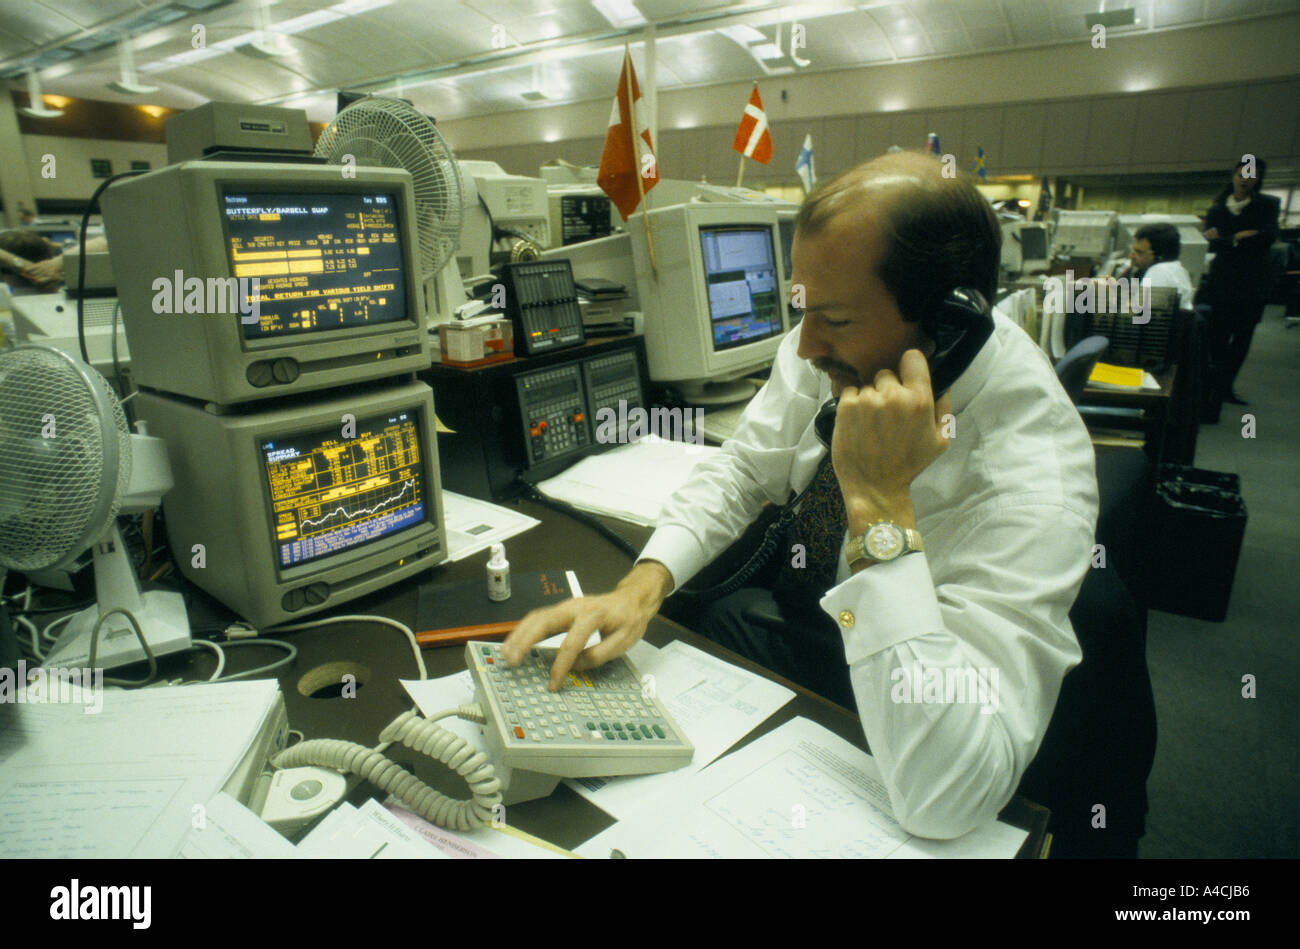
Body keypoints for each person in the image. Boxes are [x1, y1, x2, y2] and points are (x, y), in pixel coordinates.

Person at [503, 151, 1101, 841]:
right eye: (803, 310)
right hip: (826, 629)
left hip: (914, 696)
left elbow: (946, 795)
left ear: (948, 326)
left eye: (837, 320)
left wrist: (879, 506)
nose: (804, 345)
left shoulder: (1034, 477)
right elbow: (745, 471)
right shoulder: (828, 346)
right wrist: (641, 585)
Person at [1201, 157, 1281, 405]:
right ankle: (1215, 386)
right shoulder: (1217, 207)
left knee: (1242, 337)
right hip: (1221, 282)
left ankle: (1226, 387)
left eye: (1251, 175)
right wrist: (1237, 238)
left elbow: (1267, 238)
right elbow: (1209, 242)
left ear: (1257, 179)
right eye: (1241, 174)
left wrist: (1225, 239)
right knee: (1217, 335)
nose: (1245, 179)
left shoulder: (1267, 205)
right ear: (1233, 176)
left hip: (1252, 284)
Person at [1120, 222, 1193, 309]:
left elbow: (1136, 314)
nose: (1131, 256)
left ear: (1159, 256)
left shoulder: (1159, 272)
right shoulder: (1176, 269)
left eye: (1139, 252)